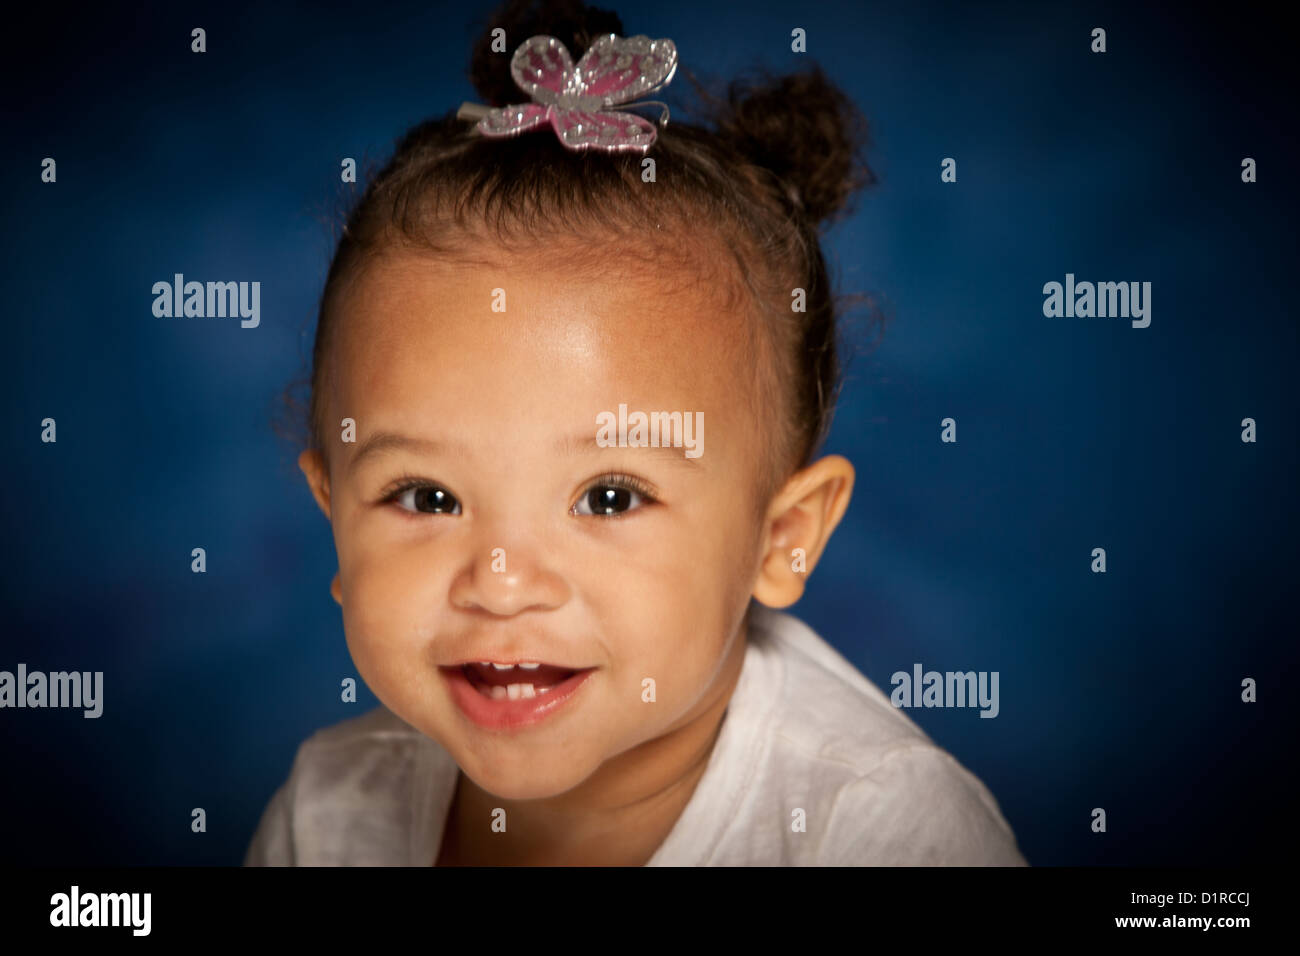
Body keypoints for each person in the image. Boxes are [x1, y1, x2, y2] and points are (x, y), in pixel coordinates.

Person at [246, 0, 1026, 866]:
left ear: (782, 538)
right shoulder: (328, 814)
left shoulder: (875, 830)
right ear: (334, 516)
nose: (502, 586)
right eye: (426, 497)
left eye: (609, 497)